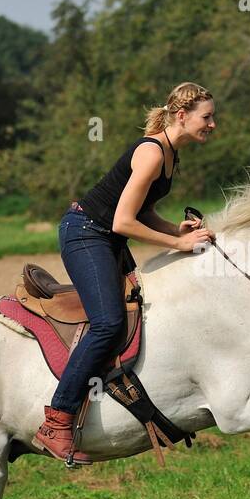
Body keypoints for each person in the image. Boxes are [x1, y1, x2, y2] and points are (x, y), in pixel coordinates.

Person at [32, 82, 217, 464]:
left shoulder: (169, 155)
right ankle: (57, 420)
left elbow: (142, 210)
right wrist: (178, 245)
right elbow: (122, 220)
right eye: (207, 117)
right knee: (108, 323)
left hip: (104, 237)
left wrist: (173, 230)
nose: (213, 124)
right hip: (86, 234)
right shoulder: (152, 153)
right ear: (182, 116)